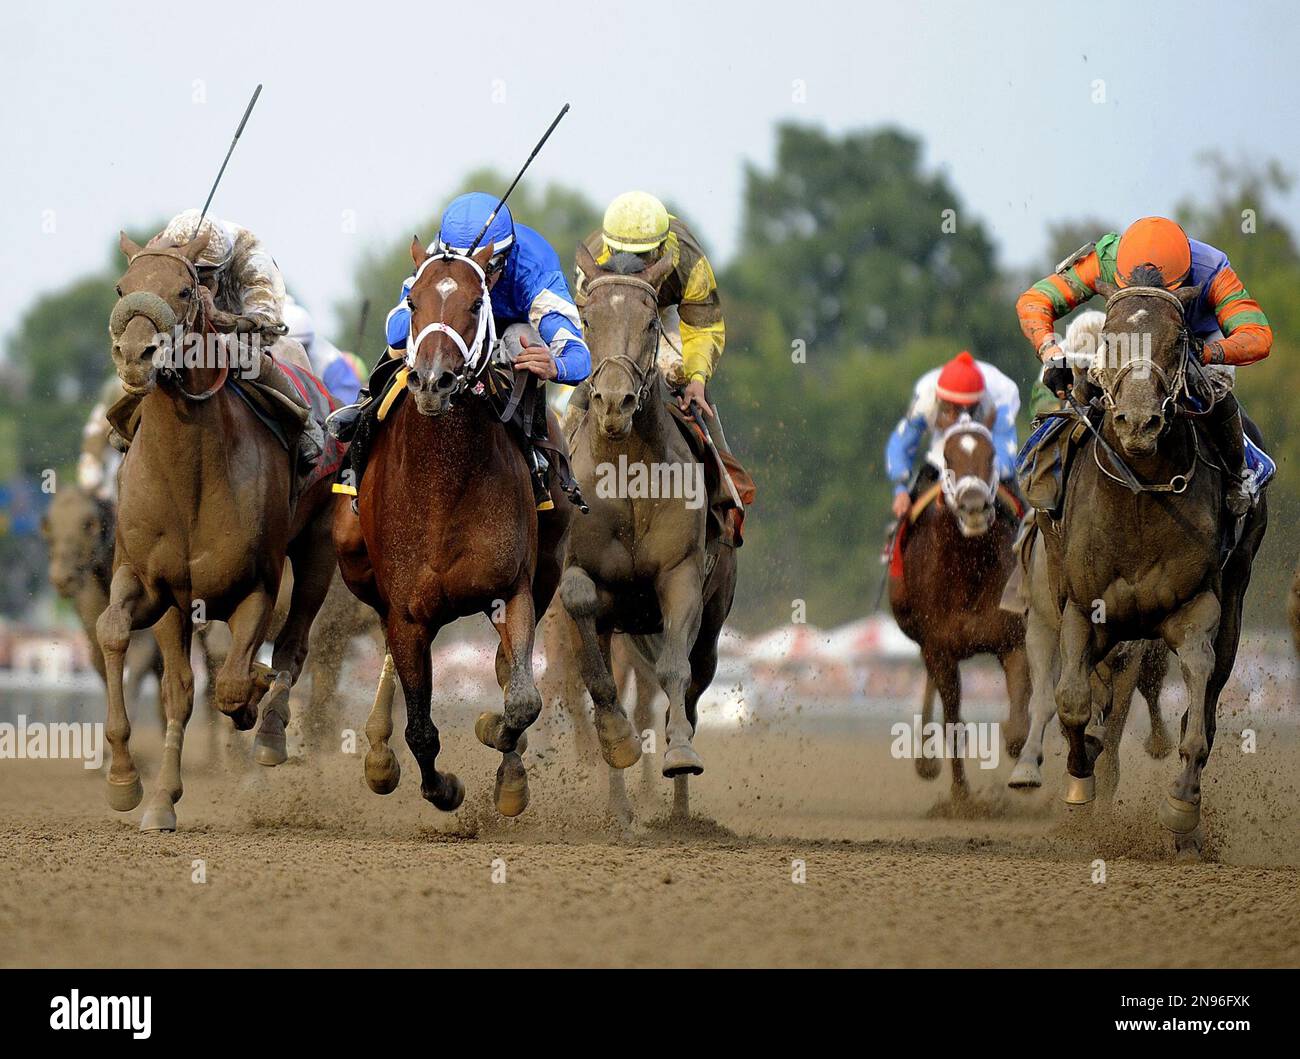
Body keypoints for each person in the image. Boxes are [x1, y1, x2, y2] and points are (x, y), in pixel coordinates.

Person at [329, 192, 590, 510]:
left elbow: (579, 357)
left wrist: (556, 366)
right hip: (454, 323)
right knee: (408, 346)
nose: (476, 274)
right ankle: (364, 419)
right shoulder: (436, 258)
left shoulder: (535, 268)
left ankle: (535, 455)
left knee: (525, 344)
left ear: (504, 257)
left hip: (510, 328)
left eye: (488, 266)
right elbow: (396, 331)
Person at [1016, 216, 1272, 514]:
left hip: (1196, 338)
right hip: (1130, 336)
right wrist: (1052, 354)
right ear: (1122, 272)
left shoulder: (1212, 271)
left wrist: (1207, 352)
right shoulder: (1106, 259)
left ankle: (1240, 471)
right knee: (1091, 378)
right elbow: (1035, 301)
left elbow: (1257, 336)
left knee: (1212, 387)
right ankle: (1049, 465)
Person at [573, 190, 752, 545]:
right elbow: (586, 328)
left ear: (661, 247)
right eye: (624, 254)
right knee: (579, 393)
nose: (632, 260)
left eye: (642, 256)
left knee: (686, 381)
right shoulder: (593, 258)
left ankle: (725, 493)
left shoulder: (688, 258)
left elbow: (703, 327)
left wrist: (698, 378)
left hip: (664, 315)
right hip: (611, 317)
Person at [106, 208, 323, 468]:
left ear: (221, 267)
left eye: (205, 277)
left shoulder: (253, 261)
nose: (199, 283)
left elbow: (267, 326)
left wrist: (221, 318)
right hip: (184, 332)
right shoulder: (162, 246)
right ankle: (127, 415)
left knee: (276, 353)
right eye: (193, 274)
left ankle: (305, 424)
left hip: (243, 336)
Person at [886, 350, 1021, 520]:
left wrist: (981, 478)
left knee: (1018, 506)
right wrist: (901, 489)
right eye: (950, 408)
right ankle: (895, 542)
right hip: (941, 453)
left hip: (985, 456)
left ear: (978, 403)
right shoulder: (925, 399)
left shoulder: (1000, 399)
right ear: (939, 399)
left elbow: (1005, 456)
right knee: (907, 512)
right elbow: (901, 444)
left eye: (966, 409)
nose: (958, 417)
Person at [281, 294, 366, 405]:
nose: (298, 356)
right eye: (289, 351)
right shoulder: (256, 357)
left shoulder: (330, 361)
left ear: (311, 342)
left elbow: (347, 405)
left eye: (303, 348)